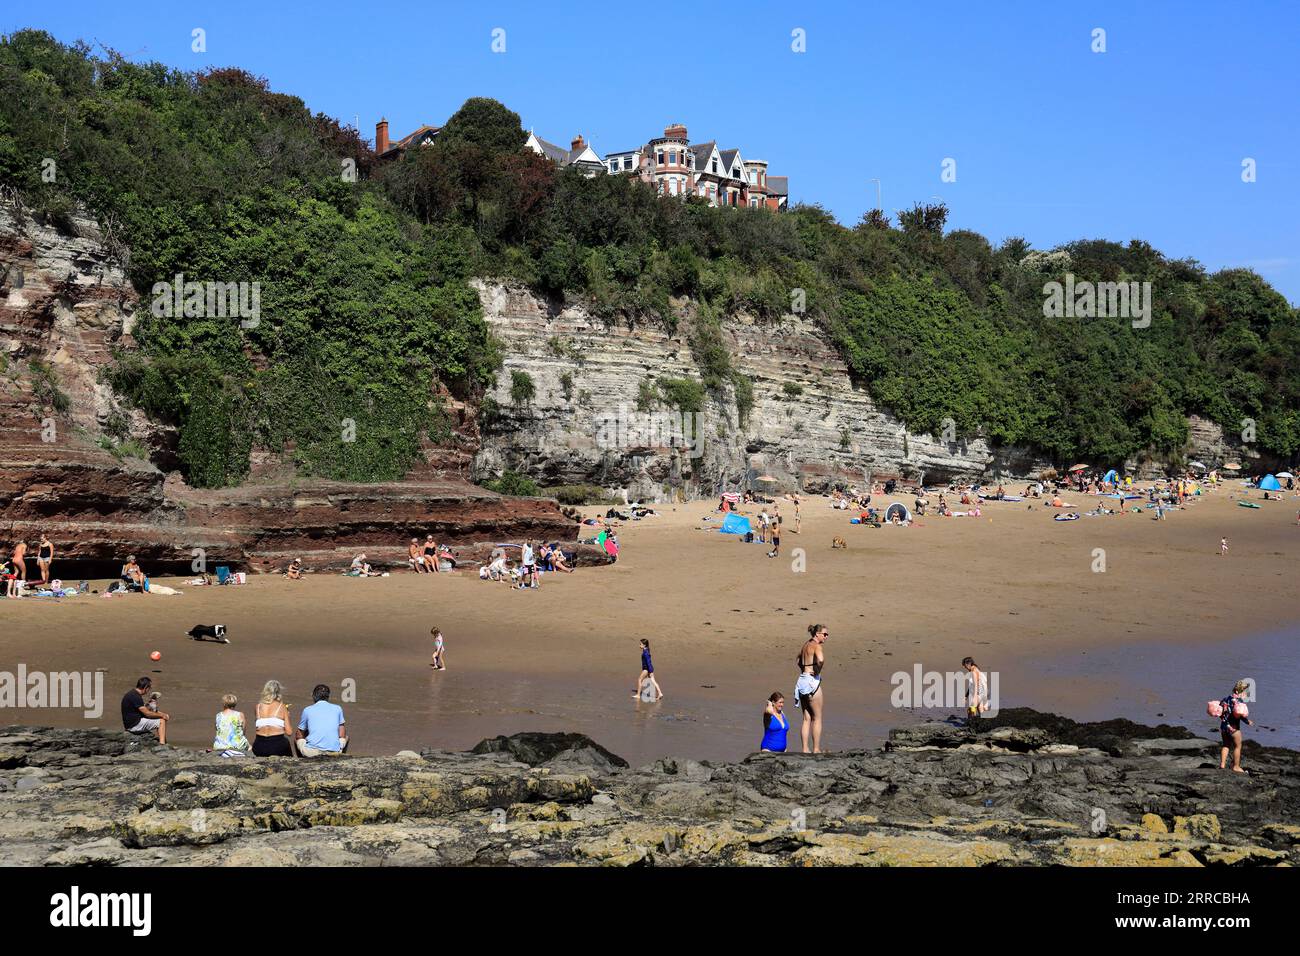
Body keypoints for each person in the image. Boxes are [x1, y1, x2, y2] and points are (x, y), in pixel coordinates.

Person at [795, 624, 827, 753]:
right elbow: (821, 660)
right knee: (817, 717)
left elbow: (797, 660)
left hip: (801, 680)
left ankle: (804, 749)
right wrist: (817, 670)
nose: (826, 637)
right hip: (811, 682)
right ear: (817, 634)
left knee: (806, 718)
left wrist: (804, 669)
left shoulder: (805, 645)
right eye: (824, 634)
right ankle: (816, 749)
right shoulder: (817, 646)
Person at [295, 684, 348, 756]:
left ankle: (302, 760)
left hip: (312, 752)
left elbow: (299, 734)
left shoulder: (307, 710)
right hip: (333, 751)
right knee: (346, 737)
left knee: (297, 739)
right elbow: (342, 734)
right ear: (328, 697)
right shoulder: (338, 708)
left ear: (313, 696)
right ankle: (340, 757)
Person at [1218, 680, 1255, 773]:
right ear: (1238, 691)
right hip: (1234, 728)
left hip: (1224, 727)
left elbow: (1220, 710)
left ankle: (1222, 765)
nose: (1246, 694)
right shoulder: (1238, 701)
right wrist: (1247, 722)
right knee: (1237, 746)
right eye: (1244, 692)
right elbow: (1239, 714)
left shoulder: (1225, 699)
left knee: (1226, 745)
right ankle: (1236, 766)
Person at [253, 680, 294, 757]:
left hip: (259, 746)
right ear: (278, 692)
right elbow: (289, 732)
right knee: (286, 743)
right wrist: (287, 716)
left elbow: (259, 726)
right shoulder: (282, 707)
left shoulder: (257, 707)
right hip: (277, 746)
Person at [122, 677, 168, 744]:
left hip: (130, 724)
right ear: (146, 687)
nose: (149, 690)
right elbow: (147, 713)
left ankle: (164, 742)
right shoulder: (135, 696)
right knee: (161, 721)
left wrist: (160, 713)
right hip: (134, 725)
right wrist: (163, 715)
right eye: (149, 688)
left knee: (159, 717)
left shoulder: (132, 694)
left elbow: (145, 710)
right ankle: (163, 744)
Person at [962, 657, 988, 726]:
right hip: (983, 693)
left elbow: (975, 685)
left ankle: (971, 726)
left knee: (971, 710)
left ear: (968, 664)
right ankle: (984, 726)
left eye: (965, 666)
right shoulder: (977, 669)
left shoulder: (973, 672)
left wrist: (975, 696)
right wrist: (966, 696)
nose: (965, 668)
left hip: (978, 694)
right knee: (981, 711)